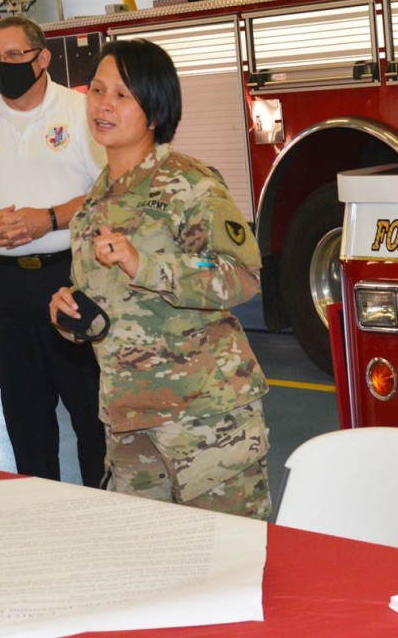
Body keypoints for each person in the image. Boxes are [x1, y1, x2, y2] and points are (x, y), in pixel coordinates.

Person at [49, 38, 272, 519]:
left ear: (154, 110)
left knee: (228, 551)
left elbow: (241, 274)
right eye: (97, 91)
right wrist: (71, 310)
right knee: (149, 551)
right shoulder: (95, 200)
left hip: (204, 418)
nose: (103, 105)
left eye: (122, 95)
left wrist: (145, 265)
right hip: (129, 417)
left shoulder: (190, 184)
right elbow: (109, 302)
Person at [0, 16, 106, 485]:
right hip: (4, 289)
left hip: (73, 280)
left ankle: (105, 510)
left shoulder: (83, 113)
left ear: (42, 58)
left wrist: (49, 218)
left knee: (92, 414)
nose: (2, 65)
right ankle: (40, 513)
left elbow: (112, 191)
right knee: (25, 417)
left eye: (14, 55)